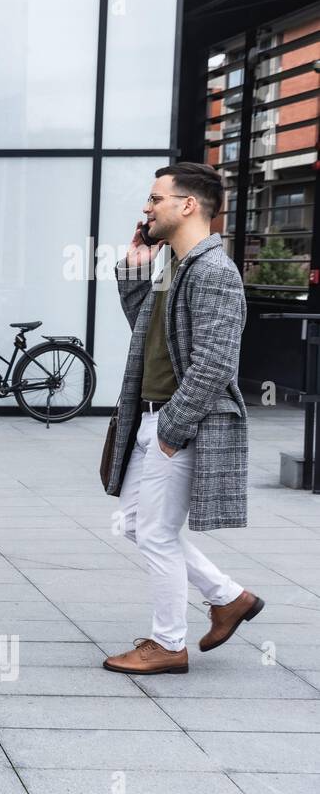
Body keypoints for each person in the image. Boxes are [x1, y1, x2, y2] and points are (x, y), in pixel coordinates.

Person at [102, 162, 262, 675]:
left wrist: (173, 428)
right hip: (152, 418)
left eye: (155, 199)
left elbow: (216, 362)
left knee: (155, 534)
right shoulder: (174, 264)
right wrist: (133, 269)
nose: (146, 209)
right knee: (133, 523)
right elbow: (143, 332)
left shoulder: (214, 271)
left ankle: (168, 644)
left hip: (178, 423)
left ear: (187, 205)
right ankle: (227, 597)